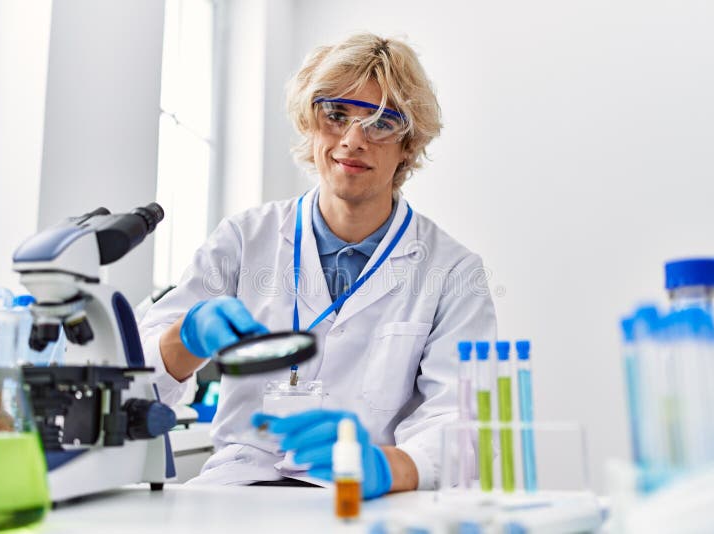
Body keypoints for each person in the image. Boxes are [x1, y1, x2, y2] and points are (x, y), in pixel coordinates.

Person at [139, 32, 497, 498]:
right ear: (310, 123)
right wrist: (184, 338)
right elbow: (135, 388)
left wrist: (388, 465)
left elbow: (465, 422)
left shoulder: (453, 271)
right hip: (237, 491)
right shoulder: (244, 238)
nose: (352, 140)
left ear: (408, 145)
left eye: (380, 123)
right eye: (336, 115)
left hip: (367, 499)